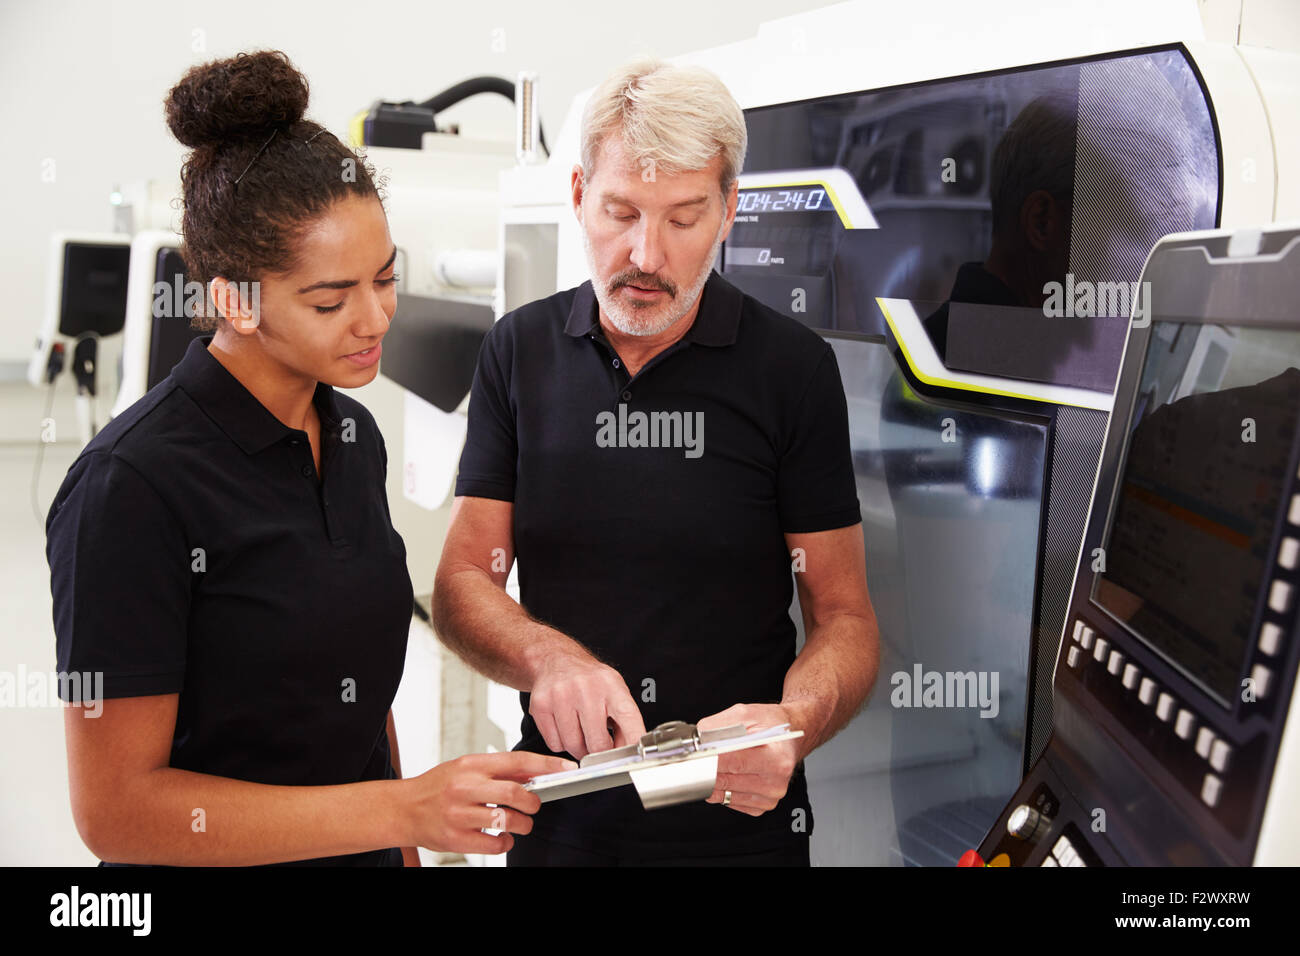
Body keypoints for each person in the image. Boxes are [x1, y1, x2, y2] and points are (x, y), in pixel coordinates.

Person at [44, 50, 570, 867]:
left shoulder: (353, 440)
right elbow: (117, 811)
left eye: (385, 279)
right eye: (331, 299)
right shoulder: (132, 487)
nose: (374, 319)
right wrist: (401, 811)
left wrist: (403, 838)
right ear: (233, 301)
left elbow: (359, 705)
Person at [433, 57, 880, 866]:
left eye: (683, 217)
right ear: (578, 196)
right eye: (620, 211)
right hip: (563, 815)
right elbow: (464, 579)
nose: (646, 254)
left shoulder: (792, 371)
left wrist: (793, 723)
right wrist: (548, 658)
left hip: (739, 829)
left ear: (728, 212)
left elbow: (844, 619)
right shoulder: (519, 351)